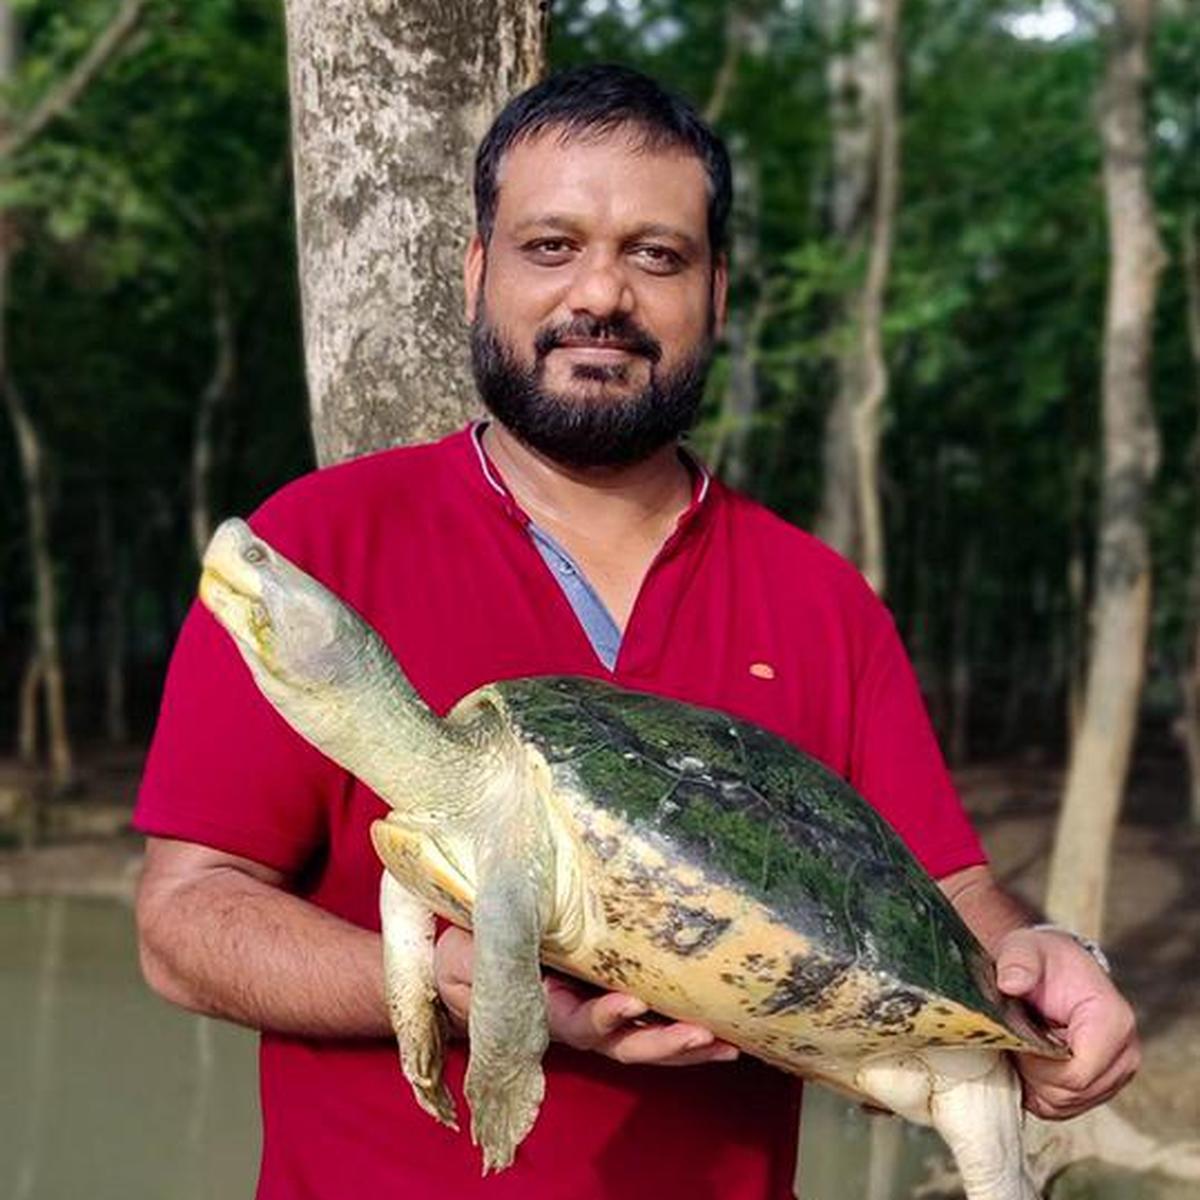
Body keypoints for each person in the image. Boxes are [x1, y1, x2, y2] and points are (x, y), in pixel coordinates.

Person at [135, 64, 1138, 1200]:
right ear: (477, 274)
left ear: (715, 294)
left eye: (656, 256)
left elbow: (948, 896)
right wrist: (463, 978)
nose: (601, 294)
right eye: (550, 245)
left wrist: (1053, 964)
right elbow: (183, 921)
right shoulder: (323, 543)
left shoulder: (818, 599)